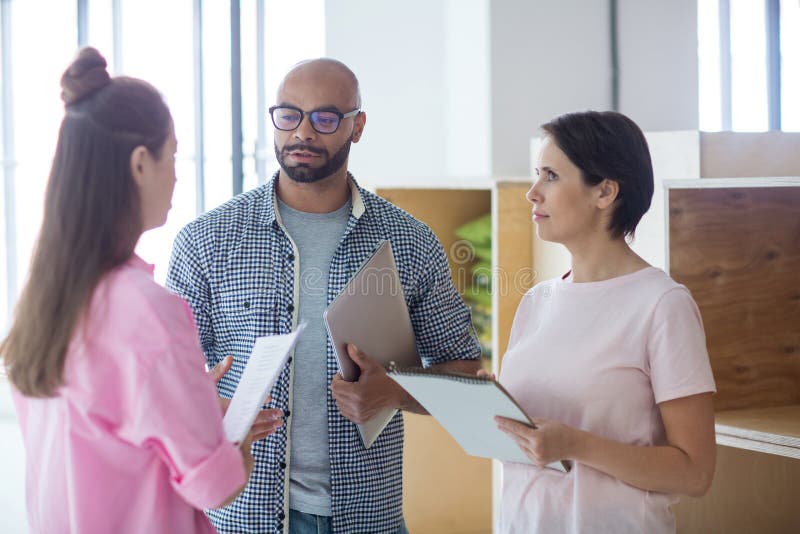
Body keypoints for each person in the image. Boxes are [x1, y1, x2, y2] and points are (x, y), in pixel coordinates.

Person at [167, 58, 481, 533]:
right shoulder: (205, 241)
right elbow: (167, 383)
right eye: (289, 115)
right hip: (237, 516)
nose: (303, 133)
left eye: (325, 118)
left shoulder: (409, 242)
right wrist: (198, 409)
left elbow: (468, 378)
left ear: (357, 127)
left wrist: (395, 389)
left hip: (367, 519)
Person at [1, 47, 282, 533]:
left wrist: (183, 404)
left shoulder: (44, 302)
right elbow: (218, 487)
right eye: (172, 154)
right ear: (139, 164)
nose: (176, 173)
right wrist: (233, 441)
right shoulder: (148, 311)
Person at [492, 111, 716, 533]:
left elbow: (695, 472)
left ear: (605, 192)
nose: (532, 193)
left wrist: (576, 444)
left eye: (552, 176)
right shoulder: (536, 301)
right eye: (537, 175)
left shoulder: (662, 304)